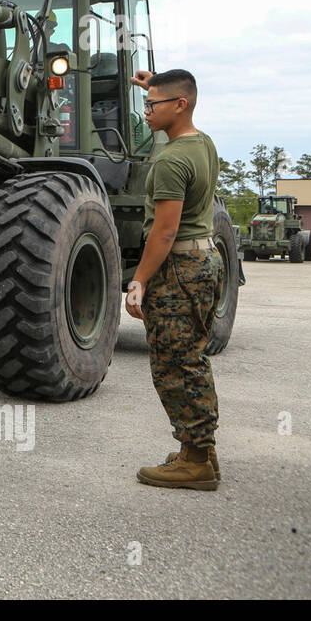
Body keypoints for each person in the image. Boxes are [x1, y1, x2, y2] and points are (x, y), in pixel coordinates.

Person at [125, 68, 223, 490]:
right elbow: (177, 88)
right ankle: (198, 449)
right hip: (204, 262)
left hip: (179, 270)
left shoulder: (170, 160)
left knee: (174, 364)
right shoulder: (203, 144)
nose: (145, 112)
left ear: (179, 105)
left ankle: (197, 461)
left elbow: (164, 231)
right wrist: (153, 84)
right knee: (193, 357)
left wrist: (139, 281)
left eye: (152, 105)